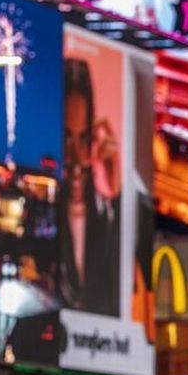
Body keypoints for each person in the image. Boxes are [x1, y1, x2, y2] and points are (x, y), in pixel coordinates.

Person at [59, 56, 120, 316]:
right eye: (66, 137)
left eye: (83, 138)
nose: (75, 155)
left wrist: (115, 187)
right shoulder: (44, 214)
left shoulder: (106, 215)